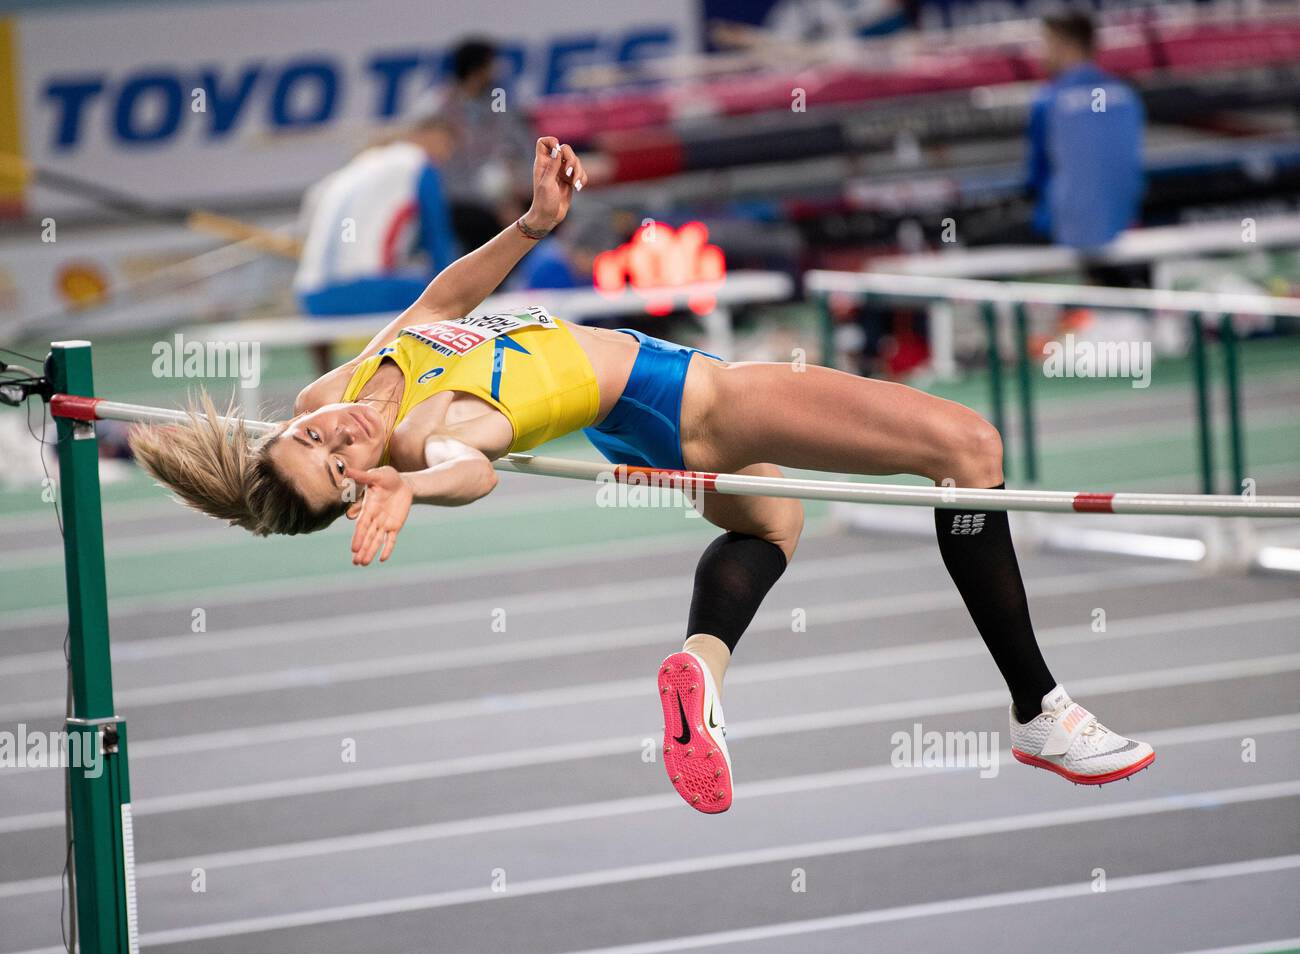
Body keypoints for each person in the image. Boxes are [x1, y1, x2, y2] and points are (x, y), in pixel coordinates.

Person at [130, 136, 1156, 815]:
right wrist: (410, 483)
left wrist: (533, 228)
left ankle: (701, 671)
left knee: (772, 526)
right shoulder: (434, 433)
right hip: (689, 400)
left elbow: (442, 293)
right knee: (968, 450)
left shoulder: (344, 386)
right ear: (361, 487)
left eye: (312, 439)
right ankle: (1040, 709)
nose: (336, 436)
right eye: (341, 462)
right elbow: (469, 470)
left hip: (628, 425)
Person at [293, 114, 459, 373]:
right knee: (447, 294)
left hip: (310, 296)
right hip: (358, 288)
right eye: (448, 145)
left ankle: (324, 381)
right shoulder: (420, 165)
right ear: (429, 136)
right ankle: (433, 378)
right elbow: (438, 242)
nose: (447, 155)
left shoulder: (360, 164)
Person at [1026, 10, 1145, 283]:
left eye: (1046, 45)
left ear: (1065, 45)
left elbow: (1036, 178)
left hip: (1071, 240)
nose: (1042, 55)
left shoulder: (1049, 101)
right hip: (1127, 229)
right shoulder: (1126, 96)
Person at [422, 38, 535, 254]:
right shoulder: (437, 108)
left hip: (497, 195)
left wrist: (509, 194)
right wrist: (496, 203)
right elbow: (449, 173)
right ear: (478, 70)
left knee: (540, 214)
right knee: (484, 226)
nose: (496, 72)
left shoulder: (497, 102)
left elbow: (515, 148)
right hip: (457, 202)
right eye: (491, 66)